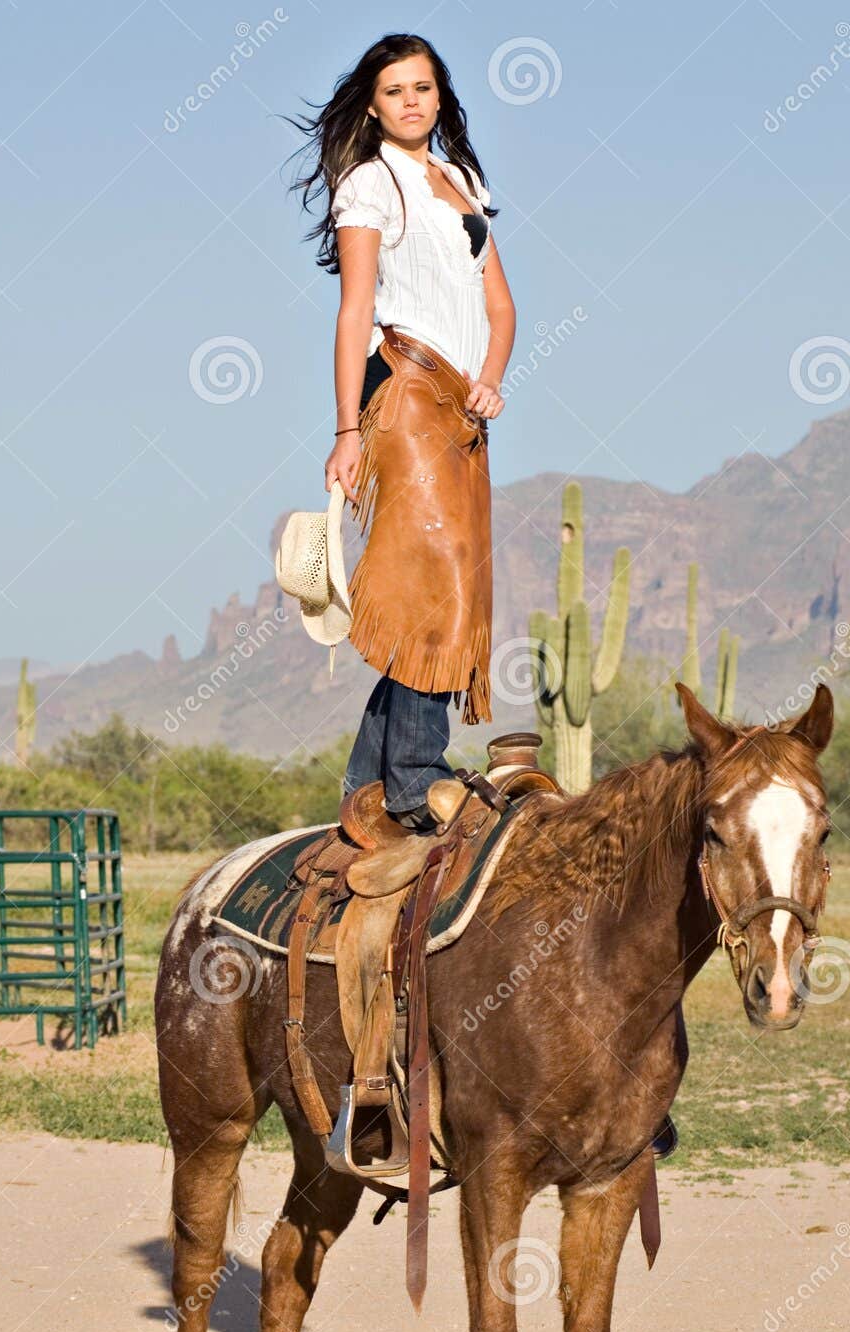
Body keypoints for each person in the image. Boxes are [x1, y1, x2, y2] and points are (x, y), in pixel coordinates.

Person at [292, 34, 515, 830]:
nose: (412, 100)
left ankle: (367, 779)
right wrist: (346, 430)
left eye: (423, 87)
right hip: (406, 387)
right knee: (434, 575)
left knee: (454, 577)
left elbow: (500, 304)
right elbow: (354, 310)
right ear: (373, 104)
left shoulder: (462, 181)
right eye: (394, 91)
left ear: (441, 97)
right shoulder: (368, 184)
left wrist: (490, 377)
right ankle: (417, 776)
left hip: (462, 401)